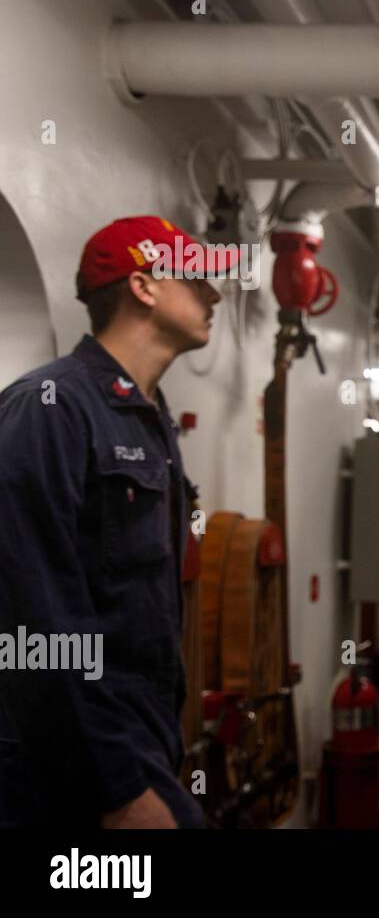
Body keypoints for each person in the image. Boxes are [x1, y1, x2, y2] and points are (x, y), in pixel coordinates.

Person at [0, 215, 227, 828]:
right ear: (145, 286)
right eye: (197, 279)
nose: (216, 294)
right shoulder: (48, 409)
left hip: (138, 743)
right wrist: (118, 789)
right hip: (63, 770)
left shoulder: (146, 418)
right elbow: (34, 622)